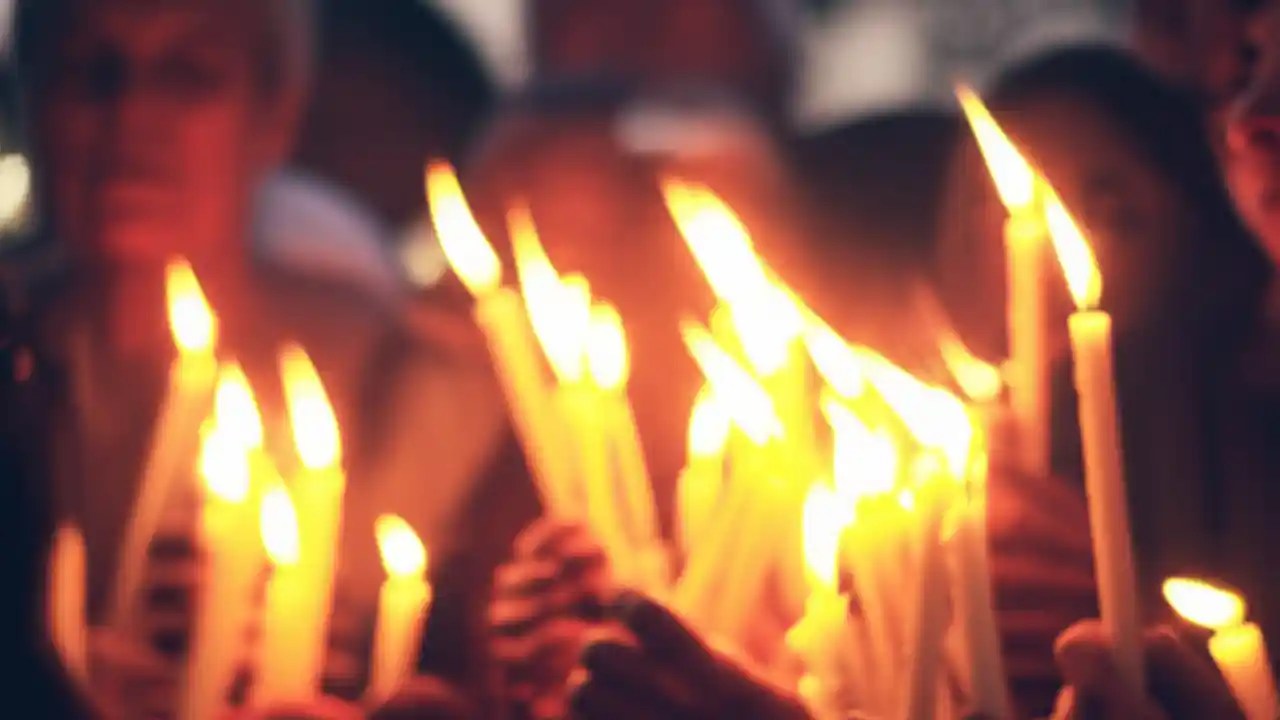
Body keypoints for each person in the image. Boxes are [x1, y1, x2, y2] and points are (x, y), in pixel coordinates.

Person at [10, 0, 518, 715]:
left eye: (189, 75)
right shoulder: (19, 362)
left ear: (274, 113)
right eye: (87, 71)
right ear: (28, 94)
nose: (130, 114)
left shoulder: (406, 392)